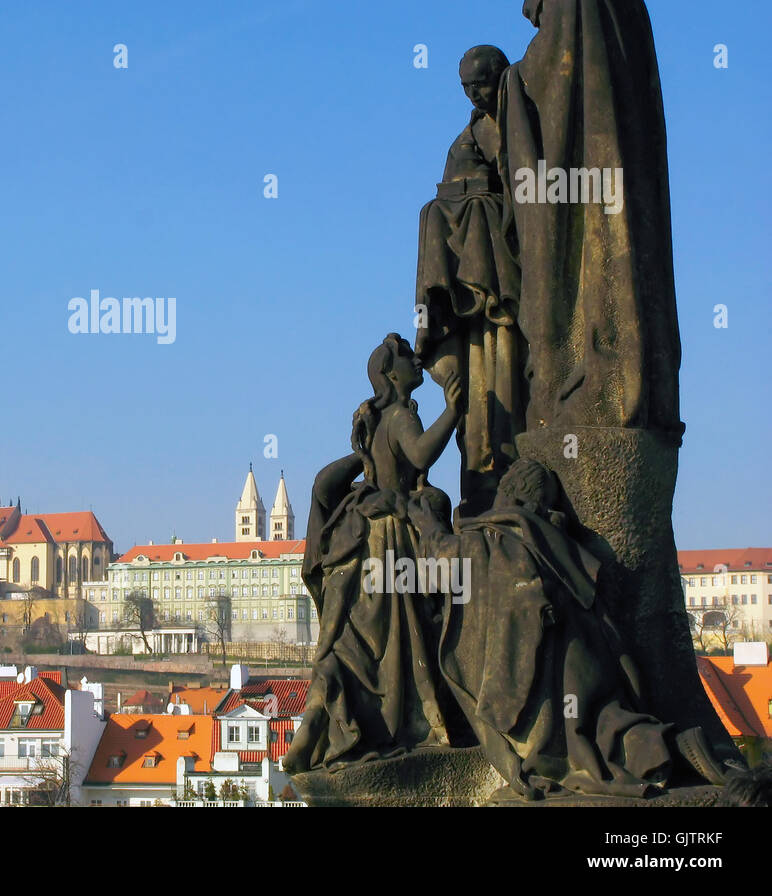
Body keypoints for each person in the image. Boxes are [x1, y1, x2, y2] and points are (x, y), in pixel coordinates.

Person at [497, 0, 681, 438]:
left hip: (583, 181)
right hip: (631, 174)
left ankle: (587, 391)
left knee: (582, 281)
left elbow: (542, 80)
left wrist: (510, 79)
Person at [409, 459, 684, 799]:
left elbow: (442, 562)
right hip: (590, 671)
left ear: (511, 494)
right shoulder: (554, 543)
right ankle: (643, 748)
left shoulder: (496, 537)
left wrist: (427, 523)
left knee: (572, 733)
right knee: (599, 728)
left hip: (543, 684)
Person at [283, 334, 467, 773]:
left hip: (361, 537)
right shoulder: (402, 416)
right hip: (393, 536)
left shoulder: (380, 419)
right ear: (391, 374)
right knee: (399, 635)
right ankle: (403, 724)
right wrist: (454, 412)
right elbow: (421, 456)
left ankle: (319, 714)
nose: (416, 362)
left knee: (353, 640)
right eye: (407, 358)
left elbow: (330, 482)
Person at [415, 44, 525, 515]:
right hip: (475, 293)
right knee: (431, 214)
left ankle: (478, 293)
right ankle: (436, 314)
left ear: (499, 78)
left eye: (479, 84)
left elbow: (526, 185)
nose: (473, 94)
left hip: (501, 255)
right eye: (466, 87)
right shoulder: (473, 129)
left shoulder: (517, 118)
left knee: (475, 211)